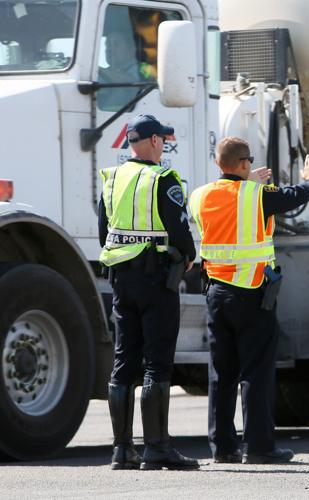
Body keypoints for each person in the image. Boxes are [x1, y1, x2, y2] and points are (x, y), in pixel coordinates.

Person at [188, 137, 309, 465]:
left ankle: (223, 448)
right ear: (245, 163)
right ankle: (260, 447)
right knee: (256, 372)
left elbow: (231, 208)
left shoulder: (199, 196)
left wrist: (250, 184)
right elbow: (296, 196)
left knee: (221, 374)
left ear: (219, 163)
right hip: (251, 293)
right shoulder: (256, 195)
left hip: (216, 294)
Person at [99, 114, 199, 471]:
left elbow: (103, 232)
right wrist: (189, 256)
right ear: (156, 141)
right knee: (157, 363)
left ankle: (122, 450)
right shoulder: (163, 178)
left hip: (121, 279)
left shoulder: (111, 179)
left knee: (124, 362)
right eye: (164, 141)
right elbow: (178, 227)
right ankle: (156, 448)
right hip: (157, 280)